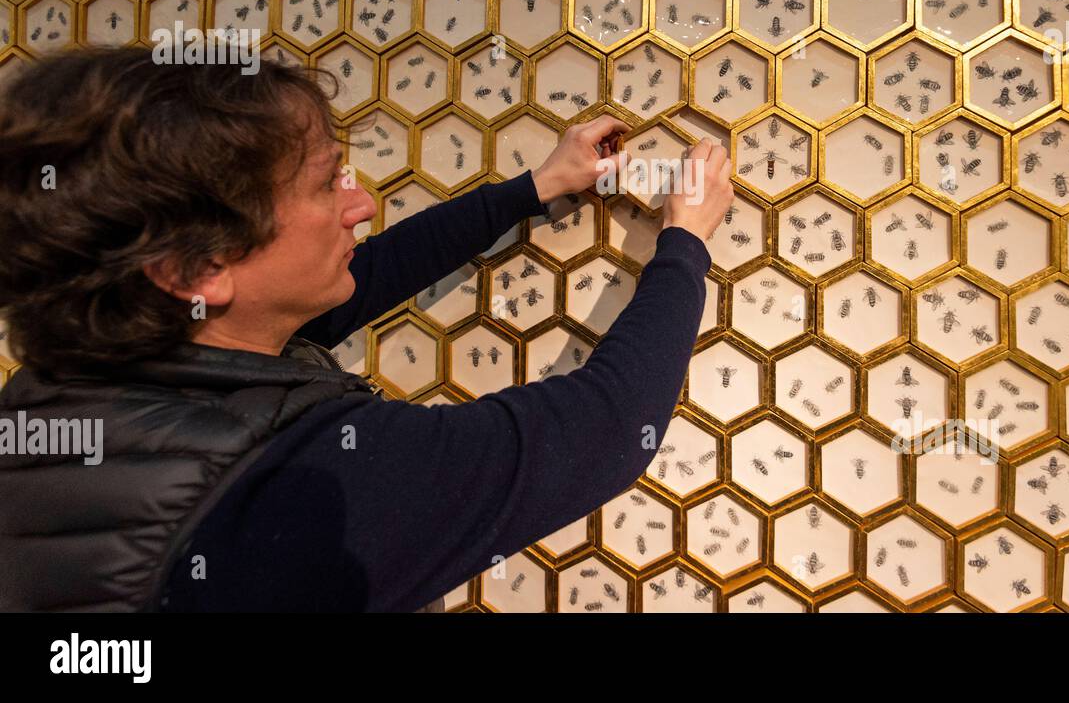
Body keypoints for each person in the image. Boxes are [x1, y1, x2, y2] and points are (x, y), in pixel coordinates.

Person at [0, 45, 733, 611]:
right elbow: (599, 431)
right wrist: (685, 242)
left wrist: (534, 188)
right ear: (195, 270)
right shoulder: (305, 492)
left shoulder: (70, 383)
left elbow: (356, 280)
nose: (362, 200)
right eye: (326, 182)